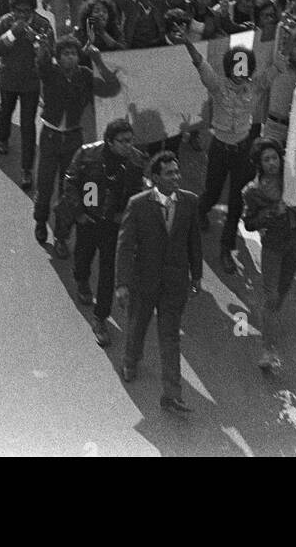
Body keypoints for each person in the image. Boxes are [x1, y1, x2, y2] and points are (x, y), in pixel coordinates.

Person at [115, 150, 202, 414]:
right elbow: (125, 245)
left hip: (175, 282)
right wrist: (122, 283)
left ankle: (172, 394)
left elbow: (194, 241)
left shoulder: (189, 202)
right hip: (144, 280)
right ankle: (130, 360)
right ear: (155, 177)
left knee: (170, 337)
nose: (176, 177)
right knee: (138, 325)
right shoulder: (138, 204)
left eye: (177, 172)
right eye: (169, 173)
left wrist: (197, 276)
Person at [176, 32, 264, 275]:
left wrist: (287, 39)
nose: (240, 71)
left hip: (243, 151)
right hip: (219, 149)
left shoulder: (255, 88)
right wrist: (186, 42)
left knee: (236, 202)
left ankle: (226, 249)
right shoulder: (217, 86)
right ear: (229, 67)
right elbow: (200, 64)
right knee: (212, 193)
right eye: (236, 65)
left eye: (244, 66)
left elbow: (277, 67)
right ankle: (196, 216)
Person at [54, 118, 146, 347]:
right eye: (123, 141)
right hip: (89, 218)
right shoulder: (88, 154)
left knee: (108, 271)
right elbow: (71, 181)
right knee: (83, 256)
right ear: (109, 141)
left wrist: (127, 218)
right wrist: (79, 212)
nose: (128, 145)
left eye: (130, 140)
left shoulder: (135, 161)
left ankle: (100, 317)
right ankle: (81, 279)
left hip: (114, 224)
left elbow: (137, 193)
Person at [242, 137, 296, 370]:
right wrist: (271, 212)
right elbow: (249, 223)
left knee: (282, 290)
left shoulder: (291, 179)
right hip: (273, 245)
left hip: (294, 241)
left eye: (275, 158)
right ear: (259, 164)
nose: (272, 163)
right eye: (266, 159)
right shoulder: (253, 191)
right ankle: (268, 349)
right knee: (271, 296)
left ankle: (269, 321)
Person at [0, 0, 55, 190]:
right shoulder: (6, 22)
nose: (22, 15)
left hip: (30, 82)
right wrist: (12, 34)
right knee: (5, 111)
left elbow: (49, 56)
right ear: (13, 10)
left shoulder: (43, 25)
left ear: (33, 10)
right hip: (8, 78)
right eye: (18, 11)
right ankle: (2, 138)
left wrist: (38, 44)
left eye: (27, 11)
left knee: (28, 125)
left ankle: (27, 169)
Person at [33, 34, 95, 245]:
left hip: (73, 138)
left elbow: (107, 86)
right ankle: (40, 221)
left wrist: (96, 57)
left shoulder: (85, 75)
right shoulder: (50, 72)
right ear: (58, 58)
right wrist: (44, 47)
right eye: (66, 54)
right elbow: (42, 63)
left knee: (68, 189)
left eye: (74, 53)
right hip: (50, 136)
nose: (70, 57)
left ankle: (61, 235)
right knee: (45, 185)